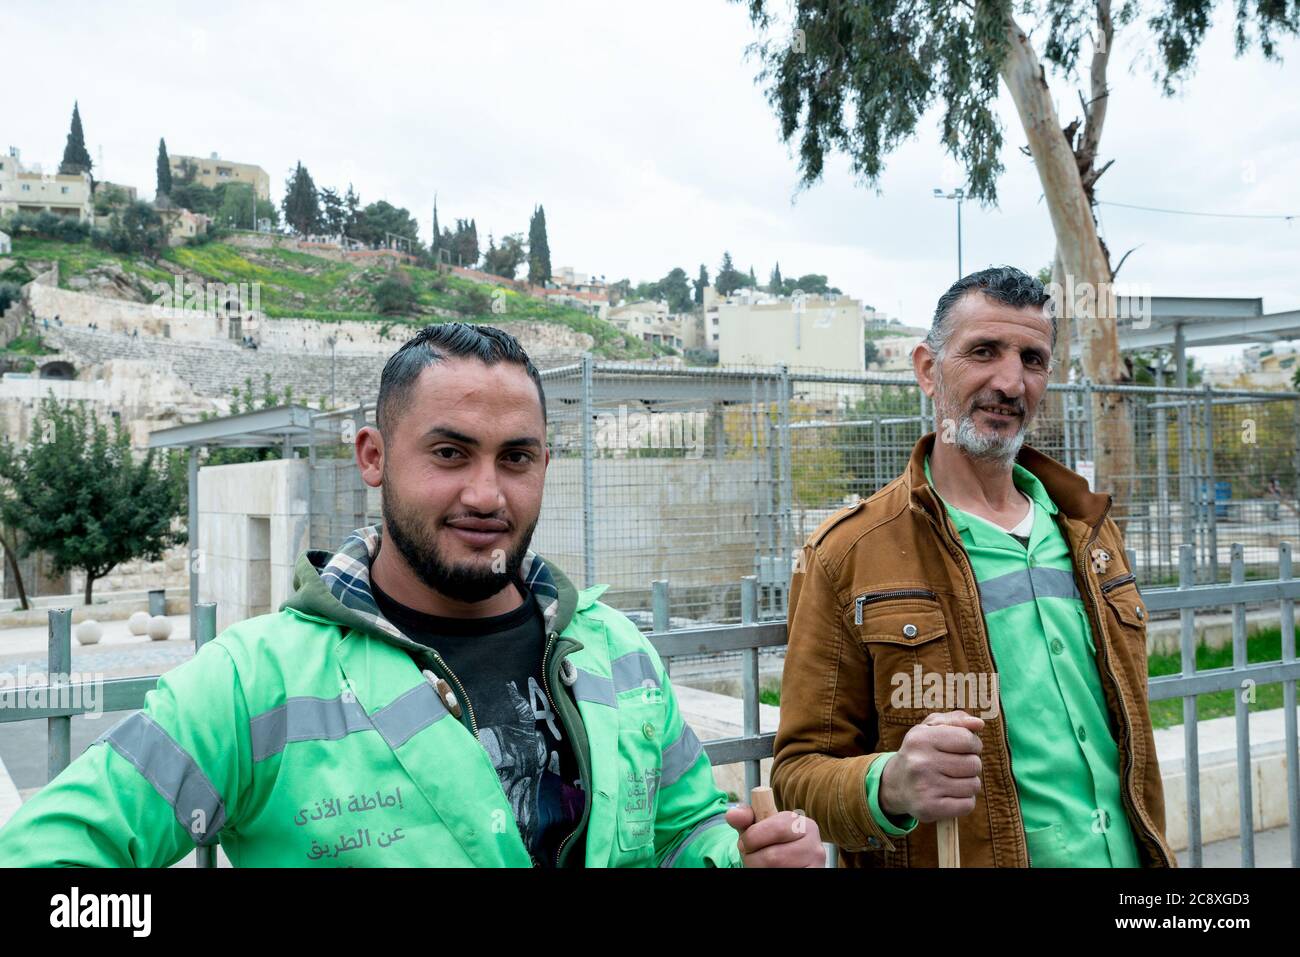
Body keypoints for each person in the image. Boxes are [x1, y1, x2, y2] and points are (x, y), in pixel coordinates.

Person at [0, 322, 822, 868]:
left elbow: (683, 834)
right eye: (450, 452)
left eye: (516, 457)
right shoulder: (254, 682)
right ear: (373, 455)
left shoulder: (618, 655)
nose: (486, 493)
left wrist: (740, 855)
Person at [772, 266, 1174, 868]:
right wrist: (892, 784)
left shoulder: (1091, 532)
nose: (1010, 382)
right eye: (984, 352)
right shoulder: (850, 553)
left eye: (1032, 360)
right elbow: (799, 775)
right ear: (928, 369)